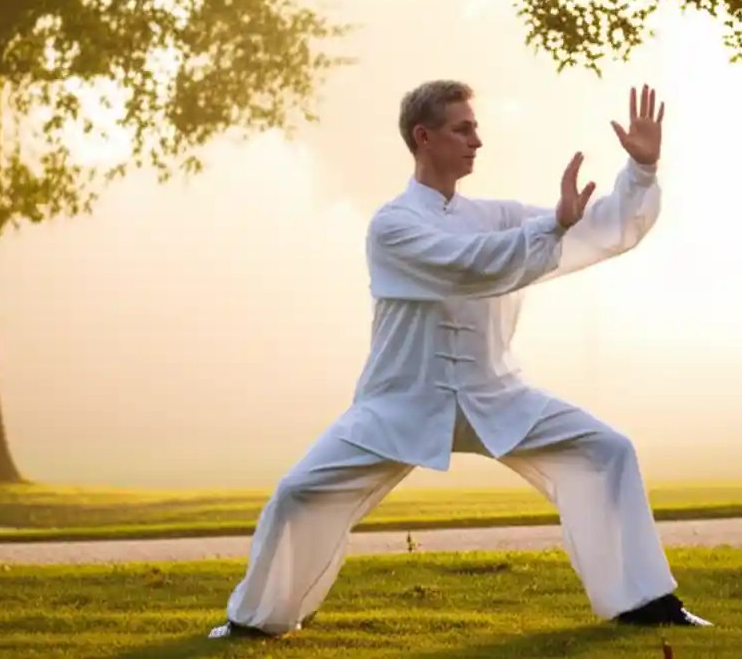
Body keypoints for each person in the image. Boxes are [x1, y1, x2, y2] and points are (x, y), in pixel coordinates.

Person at [209, 80, 711, 639]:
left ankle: (645, 604)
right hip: (401, 400)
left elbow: (594, 228)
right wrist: (553, 226)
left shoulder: (497, 215)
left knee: (609, 451)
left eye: (475, 127)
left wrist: (641, 171)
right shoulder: (392, 225)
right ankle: (256, 621)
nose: (477, 140)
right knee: (297, 493)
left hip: (496, 393)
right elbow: (467, 265)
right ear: (424, 137)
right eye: (462, 128)